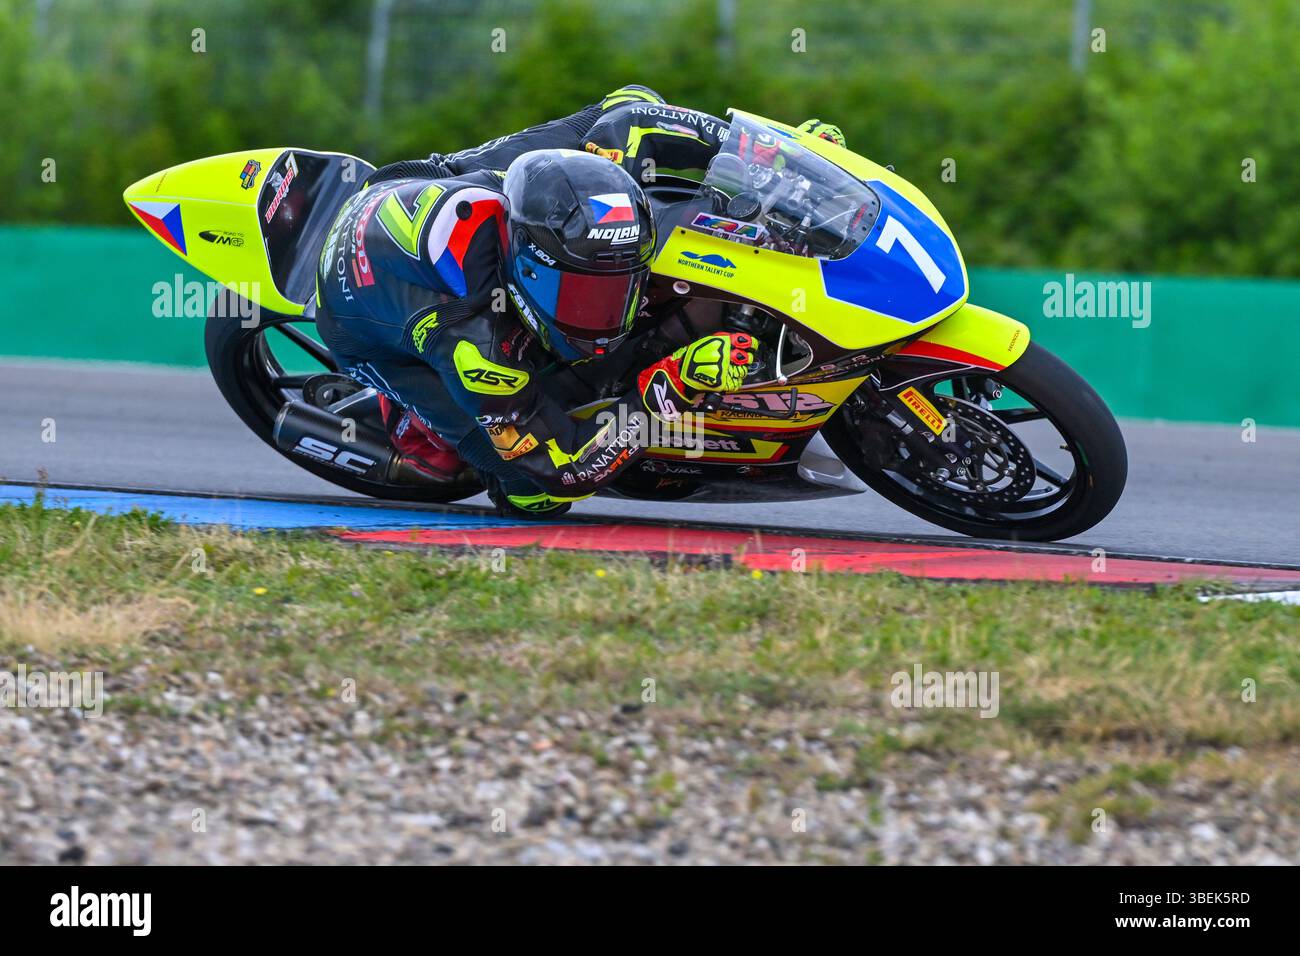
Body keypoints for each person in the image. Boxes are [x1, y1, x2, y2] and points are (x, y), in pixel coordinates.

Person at [314, 85, 841, 516]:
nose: (611, 316)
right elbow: (563, 467)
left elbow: (641, 118)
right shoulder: (479, 347)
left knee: (630, 105)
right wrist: (671, 385)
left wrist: (784, 161)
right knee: (532, 495)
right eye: (585, 296)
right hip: (364, 317)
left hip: (428, 188)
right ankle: (410, 428)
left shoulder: (595, 171)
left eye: (621, 287)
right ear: (527, 270)